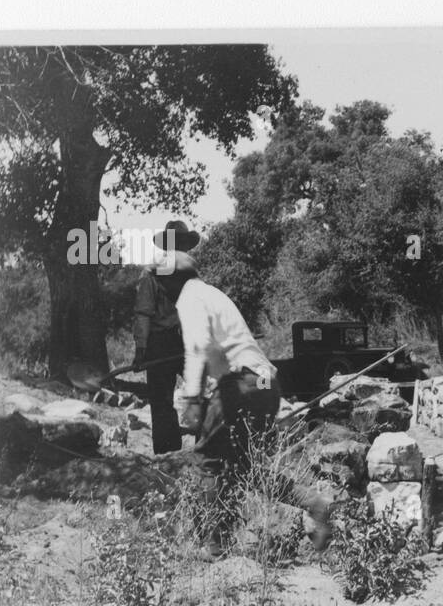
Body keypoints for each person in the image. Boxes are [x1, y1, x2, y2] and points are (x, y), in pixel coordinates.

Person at [164, 265, 331, 558]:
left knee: (207, 459)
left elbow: (197, 349)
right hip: (267, 384)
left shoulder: (188, 297)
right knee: (245, 468)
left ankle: (216, 548)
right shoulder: (214, 296)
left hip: (243, 383)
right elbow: (213, 353)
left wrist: (191, 398)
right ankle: (313, 503)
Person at [133, 221, 196, 454]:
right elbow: (144, 313)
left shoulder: (191, 273)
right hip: (161, 341)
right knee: (161, 403)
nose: (181, 248)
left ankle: (205, 449)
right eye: (177, 243)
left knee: (203, 392)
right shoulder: (151, 273)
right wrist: (141, 350)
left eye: (183, 244)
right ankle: (168, 457)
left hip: (188, 339)